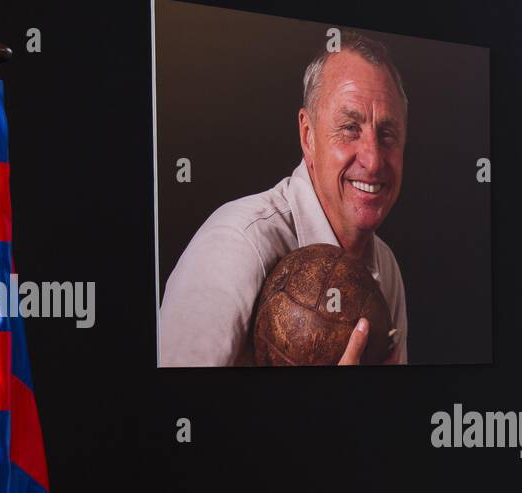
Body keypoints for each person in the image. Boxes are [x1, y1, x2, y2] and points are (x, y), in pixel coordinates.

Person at [158, 31, 409, 366]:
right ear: (308, 136)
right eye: (350, 127)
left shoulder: (386, 269)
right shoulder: (238, 245)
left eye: (387, 134)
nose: (374, 160)